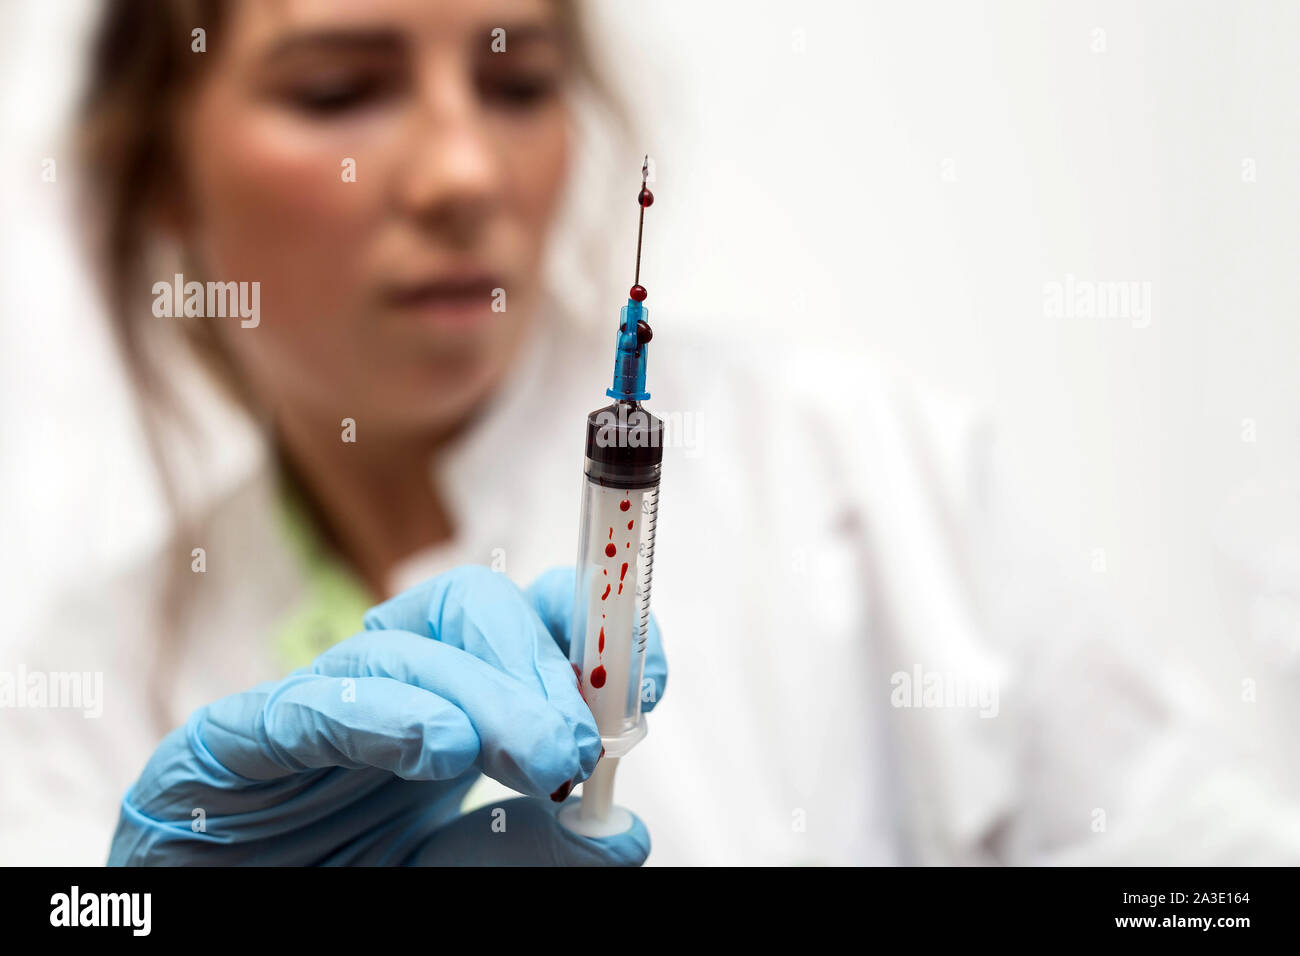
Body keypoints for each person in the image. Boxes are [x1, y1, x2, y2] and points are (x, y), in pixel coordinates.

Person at [2, 0, 1294, 866]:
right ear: (163, 168)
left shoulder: (852, 477)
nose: (463, 175)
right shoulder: (88, 680)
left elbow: (1218, 867)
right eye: (342, 89)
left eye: (517, 83)